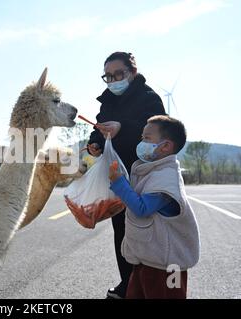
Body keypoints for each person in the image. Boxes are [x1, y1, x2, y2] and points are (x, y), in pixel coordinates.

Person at [87, 51, 166, 298]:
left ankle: (150, 284)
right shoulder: (107, 101)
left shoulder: (149, 98)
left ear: (132, 72)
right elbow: (99, 127)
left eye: (118, 74)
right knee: (121, 230)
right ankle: (127, 283)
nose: (113, 80)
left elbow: (160, 130)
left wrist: (123, 128)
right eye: (108, 76)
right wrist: (95, 142)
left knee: (146, 231)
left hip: (144, 174)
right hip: (117, 177)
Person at [108, 115, 200, 298]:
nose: (141, 142)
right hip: (147, 260)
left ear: (166, 146)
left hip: (167, 267)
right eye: (142, 137)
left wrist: (119, 183)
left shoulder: (166, 178)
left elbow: (142, 208)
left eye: (147, 138)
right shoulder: (152, 171)